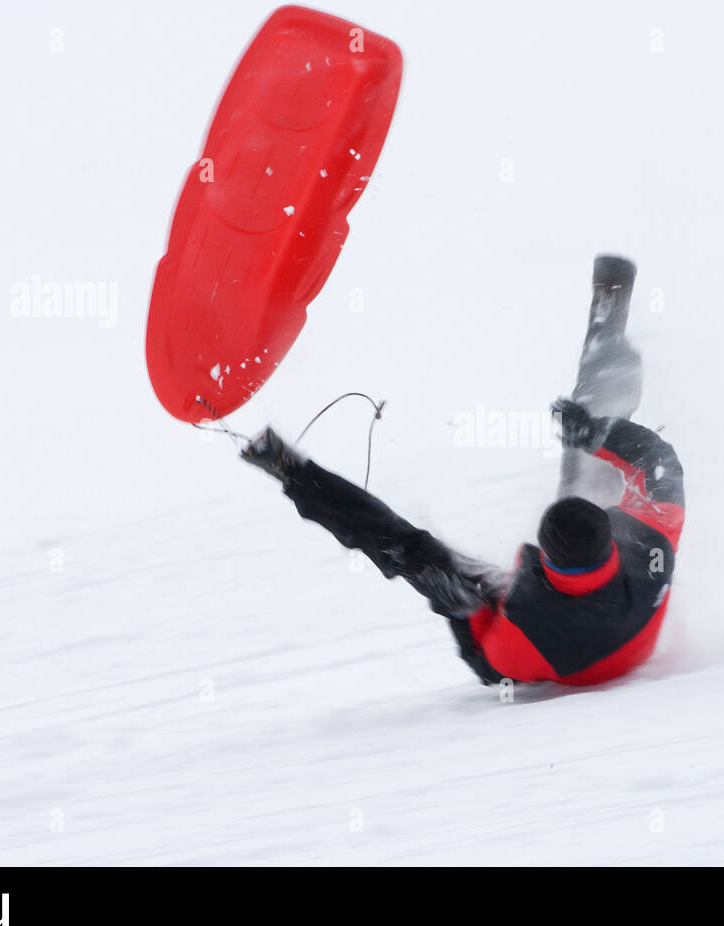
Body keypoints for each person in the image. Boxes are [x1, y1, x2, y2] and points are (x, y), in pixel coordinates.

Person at [241, 255, 684, 687]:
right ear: (610, 532)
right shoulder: (650, 541)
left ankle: (294, 475)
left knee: (416, 555)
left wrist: (461, 611)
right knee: (588, 436)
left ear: (545, 559)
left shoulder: (527, 627)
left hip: (568, 650)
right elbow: (657, 456)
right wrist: (594, 434)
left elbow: (490, 669)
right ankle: (609, 313)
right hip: (609, 623)